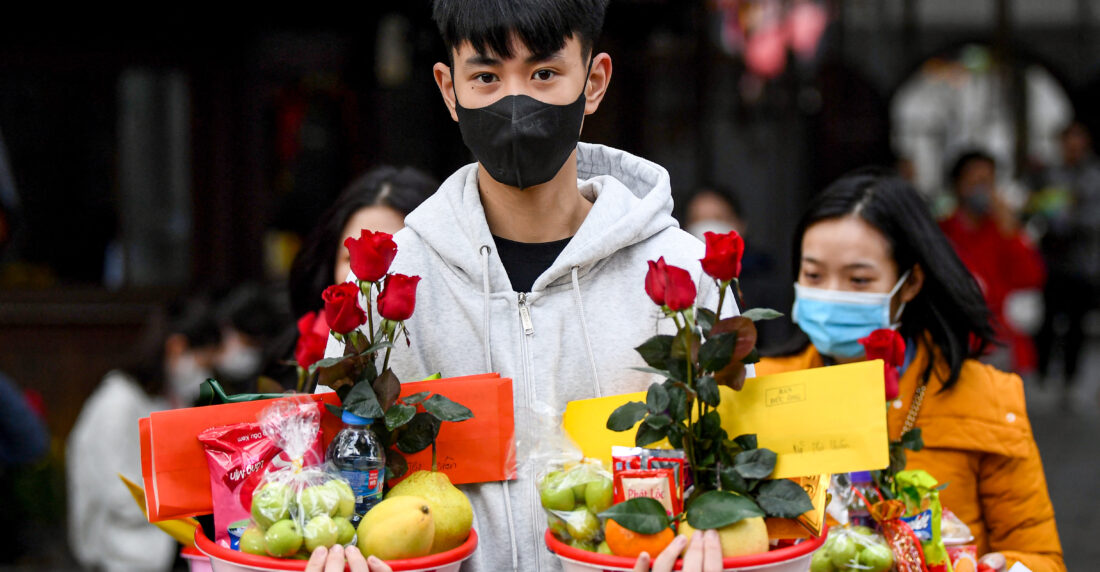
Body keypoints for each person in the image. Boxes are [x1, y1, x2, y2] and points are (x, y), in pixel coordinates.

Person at [323, 1, 741, 570]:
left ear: (593, 81)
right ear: (449, 90)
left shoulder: (682, 275)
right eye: (486, 77)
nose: (514, 104)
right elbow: (338, 487)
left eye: (544, 73)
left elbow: (738, 485)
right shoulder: (385, 289)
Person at [757, 168, 1064, 572]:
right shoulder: (761, 389)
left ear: (911, 282)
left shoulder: (987, 397)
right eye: (814, 275)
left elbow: (1040, 556)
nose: (831, 294)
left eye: (859, 279)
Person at [66, 297, 222, 572]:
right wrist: (188, 498)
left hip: (155, 542)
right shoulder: (117, 402)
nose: (204, 373)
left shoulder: (164, 395)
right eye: (202, 360)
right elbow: (120, 495)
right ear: (177, 347)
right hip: (121, 552)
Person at [261, 166, 438, 388]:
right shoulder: (291, 366)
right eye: (352, 257)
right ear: (331, 262)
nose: (371, 275)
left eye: (392, 255)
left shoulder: (460, 357)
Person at [938, 150, 1045, 373]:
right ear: (957, 185)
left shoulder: (1004, 230)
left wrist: (1012, 232)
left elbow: (1032, 277)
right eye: (974, 181)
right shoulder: (941, 233)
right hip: (956, 347)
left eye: (987, 182)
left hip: (1003, 344)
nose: (981, 190)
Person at [1031, 121, 1100, 397]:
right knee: (1048, 319)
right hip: (1052, 262)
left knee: (1076, 325)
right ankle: (1043, 372)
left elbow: (1093, 218)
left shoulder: (1094, 176)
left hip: (1083, 264)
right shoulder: (1051, 175)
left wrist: (1067, 220)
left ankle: (1070, 378)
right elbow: (1038, 207)